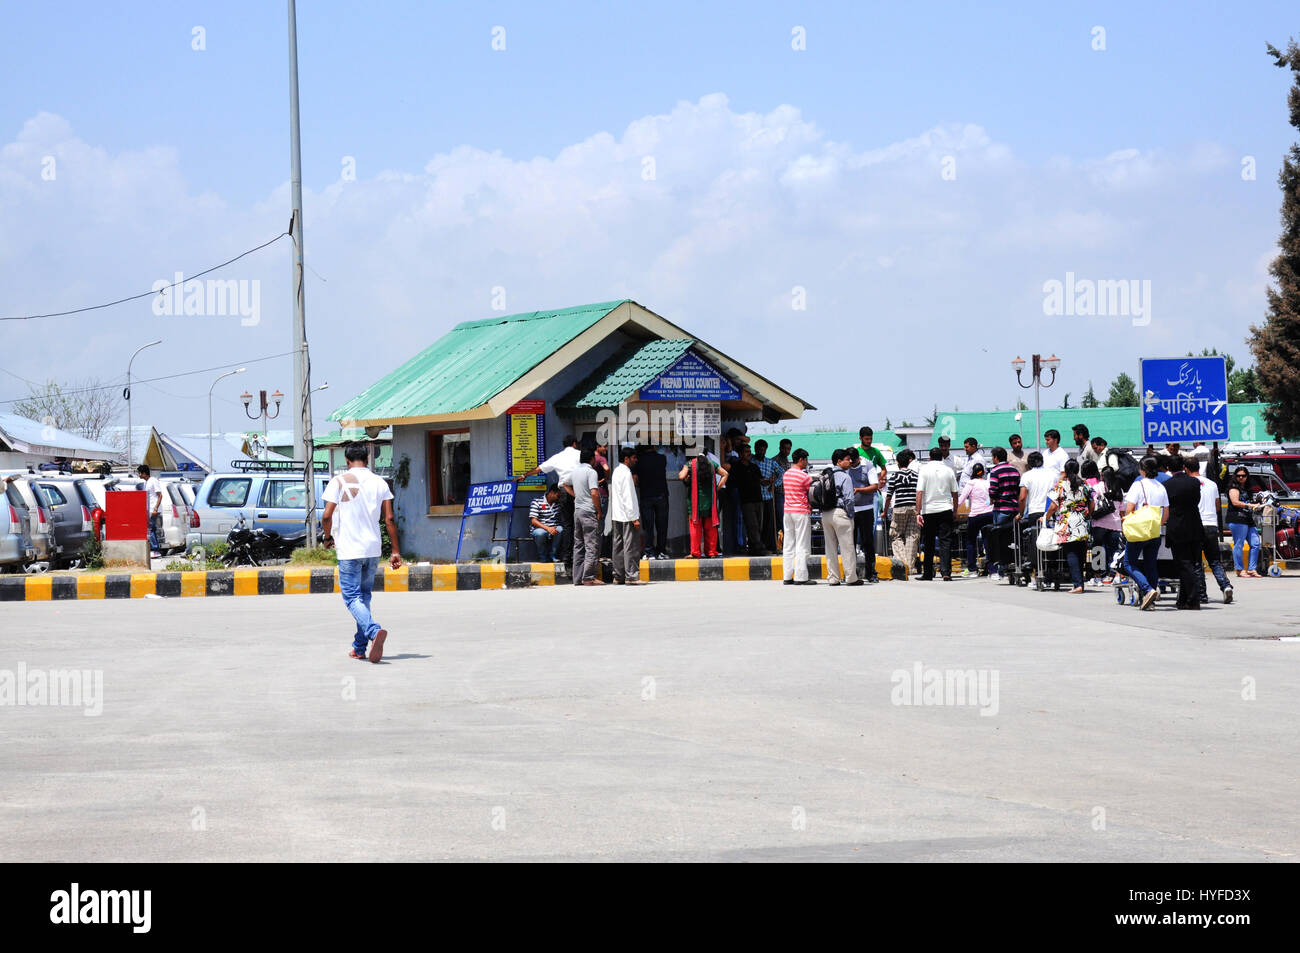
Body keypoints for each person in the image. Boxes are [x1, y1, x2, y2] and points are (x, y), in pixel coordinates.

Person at [322, 442, 403, 663]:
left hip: (349, 549)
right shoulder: (380, 482)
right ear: (367, 459)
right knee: (364, 597)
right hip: (372, 548)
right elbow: (389, 519)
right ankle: (359, 647)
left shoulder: (337, 482)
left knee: (352, 598)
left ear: (346, 461)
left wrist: (327, 538)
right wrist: (395, 551)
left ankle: (373, 631)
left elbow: (327, 516)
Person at [518, 435, 580, 568]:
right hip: (579, 491)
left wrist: (524, 475)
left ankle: (567, 559)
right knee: (580, 525)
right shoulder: (579, 455)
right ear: (575, 444)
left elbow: (539, 468)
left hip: (564, 491)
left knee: (568, 526)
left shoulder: (558, 457)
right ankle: (579, 556)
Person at [1122, 456, 1170, 610]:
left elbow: (1129, 509)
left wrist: (1127, 523)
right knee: (1151, 565)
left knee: (1129, 563)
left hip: (1138, 530)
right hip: (1154, 530)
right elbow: (1166, 513)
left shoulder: (1138, 485)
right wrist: (1156, 524)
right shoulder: (1161, 487)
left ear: (1142, 469)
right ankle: (1151, 601)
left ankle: (1147, 589)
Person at [1189, 456, 1233, 604]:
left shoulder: (1189, 484)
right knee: (1214, 560)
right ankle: (1225, 585)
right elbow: (1218, 506)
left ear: (1186, 469)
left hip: (1196, 525)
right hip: (1211, 525)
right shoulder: (1212, 484)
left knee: (1196, 562)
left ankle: (1202, 594)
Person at [1045, 459, 1093, 593]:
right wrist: (1087, 515)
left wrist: (1045, 517)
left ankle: (1077, 584)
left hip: (1066, 523)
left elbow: (1053, 506)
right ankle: (1080, 583)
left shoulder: (1060, 485)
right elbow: (1092, 503)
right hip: (1082, 521)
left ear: (1065, 470)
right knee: (1081, 553)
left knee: (1071, 554)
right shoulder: (1085, 485)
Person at [1163, 456, 1205, 609]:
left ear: (1168, 468)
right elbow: (1197, 500)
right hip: (1194, 526)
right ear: (1183, 467)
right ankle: (1183, 599)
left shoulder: (1167, 485)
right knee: (1191, 564)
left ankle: (1193, 599)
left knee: (1183, 564)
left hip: (1177, 528)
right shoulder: (1194, 482)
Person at [916, 447, 958, 581]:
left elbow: (919, 492)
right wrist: (955, 510)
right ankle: (946, 572)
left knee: (928, 542)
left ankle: (928, 573)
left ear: (929, 457)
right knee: (946, 541)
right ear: (942, 457)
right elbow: (955, 493)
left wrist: (918, 512)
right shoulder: (949, 470)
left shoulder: (924, 470)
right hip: (945, 509)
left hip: (929, 510)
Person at [679, 445, 727, 558]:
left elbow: (681, 476)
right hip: (710, 502)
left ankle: (695, 553)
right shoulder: (712, 464)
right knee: (711, 528)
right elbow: (725, 474)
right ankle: (711, 552)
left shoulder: (691, 463)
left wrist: (687, 477)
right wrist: (717, 487)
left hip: (695, 503)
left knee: (695, 528)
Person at [565, 448, 603, 586]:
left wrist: (577, 495)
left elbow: (564, 483)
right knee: (591, 545)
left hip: (578, 511)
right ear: (592, 459)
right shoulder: (591, 472)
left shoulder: (575, 471)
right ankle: (588, 577)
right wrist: (599, 510)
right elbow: (594, 492)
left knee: (579, 545)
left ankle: (578, 578)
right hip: (588, 511)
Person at [821, 449, 860, 585]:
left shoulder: (826, 474)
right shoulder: (845, 477)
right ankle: (851, 577)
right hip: (840, 513)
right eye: (847, 459)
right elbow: (849, 499)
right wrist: (850, 515)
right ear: (839, 461)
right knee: (847, 546)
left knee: (830, 548)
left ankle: (833, 578)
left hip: (825, 514)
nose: (850, 461)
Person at [983, 447, 1021, 578]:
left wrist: (993, 498)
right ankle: (1015, 564)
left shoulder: (995, 471)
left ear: (996, 457)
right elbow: (1018, 489)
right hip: (1014, 508)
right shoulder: (1015, 471)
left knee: (999, 539)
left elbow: (992, 490)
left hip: (1001, 509)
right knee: (1013, 537)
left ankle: (1001, 568)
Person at [1081, 460, 1122, 585]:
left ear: (1102, 476)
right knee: (1115, 551)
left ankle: (1098, 576)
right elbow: (1122, 509)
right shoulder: (1118, 490)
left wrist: (1091, 515)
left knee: (1098, 549)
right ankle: (1114, 575)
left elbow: (1092, 503)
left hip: (1099, 523)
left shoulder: (1098, 487)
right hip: (1115, 524)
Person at [847, 447, 882, 582]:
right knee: (850, 543)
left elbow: (874, 486)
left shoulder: (868, 466)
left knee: (868, 542)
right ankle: (851, 573)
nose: (850, 464)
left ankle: (871, 572)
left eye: (853, 462)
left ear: (857, 458)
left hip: (866, 509)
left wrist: (859, 490)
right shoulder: (846, 466)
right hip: (850, 511)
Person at [609, 446, 642, 585]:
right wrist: (634, 517)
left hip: (617, 515)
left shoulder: (616, 471)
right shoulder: (626, 473)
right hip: (627, 516)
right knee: (630, 546)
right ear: (626, 459)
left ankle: (618, 575)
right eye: (634, 458)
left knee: (618, 546)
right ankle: (632, 576)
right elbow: (628, 497)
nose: (636, 460)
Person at [781, 449, 815, 585]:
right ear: (801, 460)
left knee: (788, 544)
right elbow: (811, 492)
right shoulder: (804, 476)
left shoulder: (786, 474)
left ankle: (787, 576)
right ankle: (801, 577)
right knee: (802, 544)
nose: (807, 463)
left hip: (788, 511)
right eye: (806, 460)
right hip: (801, 511)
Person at [1226, 466, 1264, 578]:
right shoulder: (1233, 488)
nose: (1241, 478)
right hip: (1237, 518)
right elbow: (1235, 502)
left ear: (1247, 477)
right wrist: (1250, 505)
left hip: (1248, 519)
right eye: (1238, 476)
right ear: (1235, 477)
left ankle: (1252, 569)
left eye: (1243, 475)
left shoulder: (1247, 489)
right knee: (1239, 543)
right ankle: (1239, 569)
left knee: (1255, 543)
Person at [633, 445, 670, 559]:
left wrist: (641, 484)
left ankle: (649, 552)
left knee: (648, 526)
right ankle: (661, 551)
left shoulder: (639, 461)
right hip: (661, 495)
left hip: (646, 495)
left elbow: (635, 479)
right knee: (662, 525)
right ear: (653, 446)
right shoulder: (662, 458)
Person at [885, 448, 920, 570]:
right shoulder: (916, 475)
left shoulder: (895, 476)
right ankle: (910, 566)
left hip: (899, 508)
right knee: (912, 536)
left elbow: (889, 495)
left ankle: (902, 565)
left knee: (896, 535)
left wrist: (885, 511)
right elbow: (919, 493)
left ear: (898, 463)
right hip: (914, 508)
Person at [958, 462, 993, 577]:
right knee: (988, 541)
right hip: (989, 513)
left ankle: (972, 569)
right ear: (983, 472)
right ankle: (992, 570)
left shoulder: (971, 483)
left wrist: (953, 509)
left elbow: (961, 499)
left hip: (975, 515)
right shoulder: (988, 483)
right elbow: (990, 499)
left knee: (970, 541)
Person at [754, 439, 783, 554]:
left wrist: (774, 484)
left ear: (766, 450)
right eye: (759, 449)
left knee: (769, 523)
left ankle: (769, 546)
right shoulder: (751, 461)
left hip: (768, 496)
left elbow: (782, 473)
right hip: (755, 497)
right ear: (755, 449)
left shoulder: (770, 462)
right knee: (757, 524)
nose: (761, 451)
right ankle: (758, 546)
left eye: (763, 449)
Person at [1018, 451, 1055, 525]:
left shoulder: (1026, 476)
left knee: (1035, 535)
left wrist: (1021, 514)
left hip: (1034, 511)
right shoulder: (1052, 475)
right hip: (1050, 511)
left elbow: (1022, 498)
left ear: (1029, 463)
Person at [529, 486, 564, 562]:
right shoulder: (537, 501)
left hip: (553, 528)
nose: (559, 498)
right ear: (551, 493)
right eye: (558, 496)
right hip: (540, 529)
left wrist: (554, 527)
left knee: (560, 529)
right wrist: (548, 528)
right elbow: (534, 521)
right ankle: (543, 556)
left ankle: (553, 555)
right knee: (540, 533)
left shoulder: (558, 504)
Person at [137, 464, 163, 558]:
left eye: (139, 473)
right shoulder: (146, 482)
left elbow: (160, 495)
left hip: (154, 509)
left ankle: (155, 550)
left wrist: (155, 508)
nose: (139, 475)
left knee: (151, 529)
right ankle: (154, 549)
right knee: (151, 529)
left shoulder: (153, 481)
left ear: (144, 473)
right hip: (150, 509)